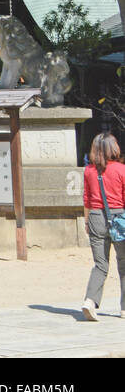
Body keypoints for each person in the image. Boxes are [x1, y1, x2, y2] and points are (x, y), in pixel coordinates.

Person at [82, 131, 125, 321]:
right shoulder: (121, 170)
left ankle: (90, 301)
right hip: (119, 217)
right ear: (113, 147)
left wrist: (86, 221)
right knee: (123, 263)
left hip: (95, 217)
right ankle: (124, 309)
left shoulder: (89, 170)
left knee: (100, 264)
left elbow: (87, 199)